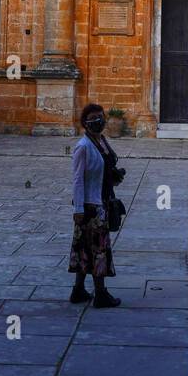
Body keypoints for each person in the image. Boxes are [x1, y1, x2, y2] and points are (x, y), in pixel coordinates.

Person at [68, 102, 122, 309]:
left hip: (102, 200)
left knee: (84, 248)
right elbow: (77, 179)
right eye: (93, 119)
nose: (98, 121)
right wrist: (78, 210)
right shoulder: (83, 146)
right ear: (85, 123)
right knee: (99, 249)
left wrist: (114, 176)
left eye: (100, 117)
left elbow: (106, 166)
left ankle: (78, 290)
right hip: (90, 206)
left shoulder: (101, 141)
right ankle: (100, 294)